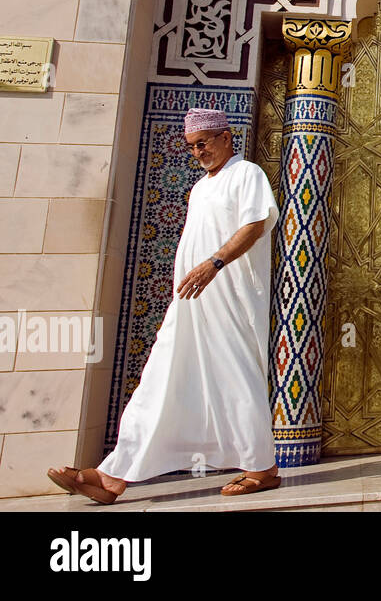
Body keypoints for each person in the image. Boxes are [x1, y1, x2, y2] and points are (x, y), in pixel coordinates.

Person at [47, 107, 282, 503]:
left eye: (204, 142)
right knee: (159, 378)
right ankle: (113, 477)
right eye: (192, 146)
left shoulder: (246, 174)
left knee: (237, 374)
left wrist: (214, 263)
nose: (198, 152)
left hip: (229, 298)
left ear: (227, 137)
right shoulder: (201, 187)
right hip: (189, 301)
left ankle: (262, 468)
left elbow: (255, 224)